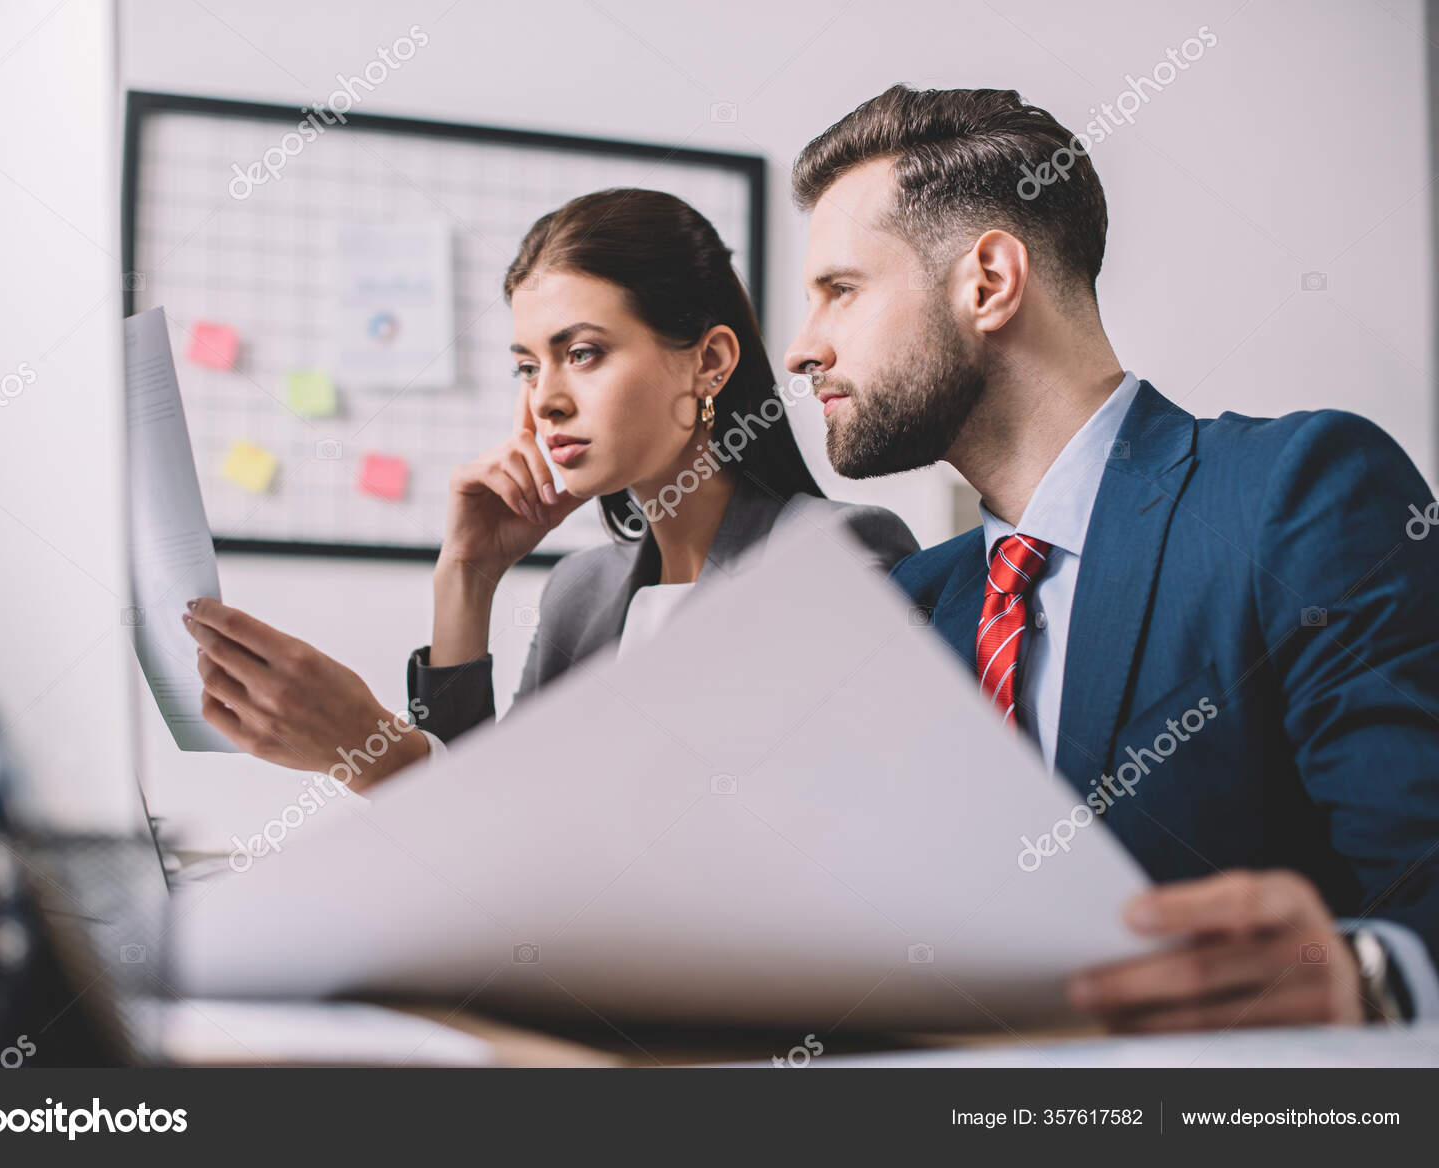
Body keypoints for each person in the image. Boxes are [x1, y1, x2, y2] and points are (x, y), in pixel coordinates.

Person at [785, 85, 1439, 1031]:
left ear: (988, 282)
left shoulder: (1300, 492)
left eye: (838, 290)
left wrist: (1370, 979)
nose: (803, 349)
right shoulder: (910, 605)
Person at [183, 188, 917, 789]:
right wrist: (467, 580)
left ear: (710, 363)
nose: (545, 401)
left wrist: (373, 751)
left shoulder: (832, 553)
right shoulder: (581, 593)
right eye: (528, 367)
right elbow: (484, 845)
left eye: (584, 354)